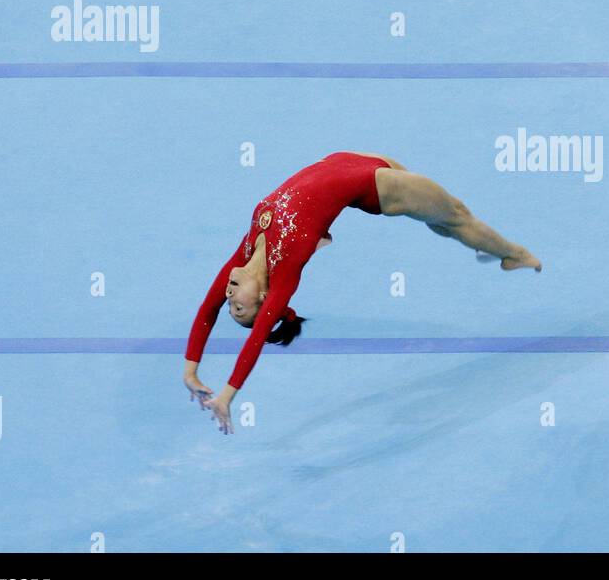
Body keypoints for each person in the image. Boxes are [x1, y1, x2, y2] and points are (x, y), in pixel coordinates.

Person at [183, 151, 541, 433]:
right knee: (457, 214)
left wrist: (191, 371)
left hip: (345, 159)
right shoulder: (285, 271)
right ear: (264, 299)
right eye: (240, 310)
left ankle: (479, 244)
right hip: (375, 186)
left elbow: (206, 310)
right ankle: (514, 255)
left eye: (231, 307)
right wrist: (228, 395)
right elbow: (258, 337)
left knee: (443, 221)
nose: (229, 300)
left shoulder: (247, 252)